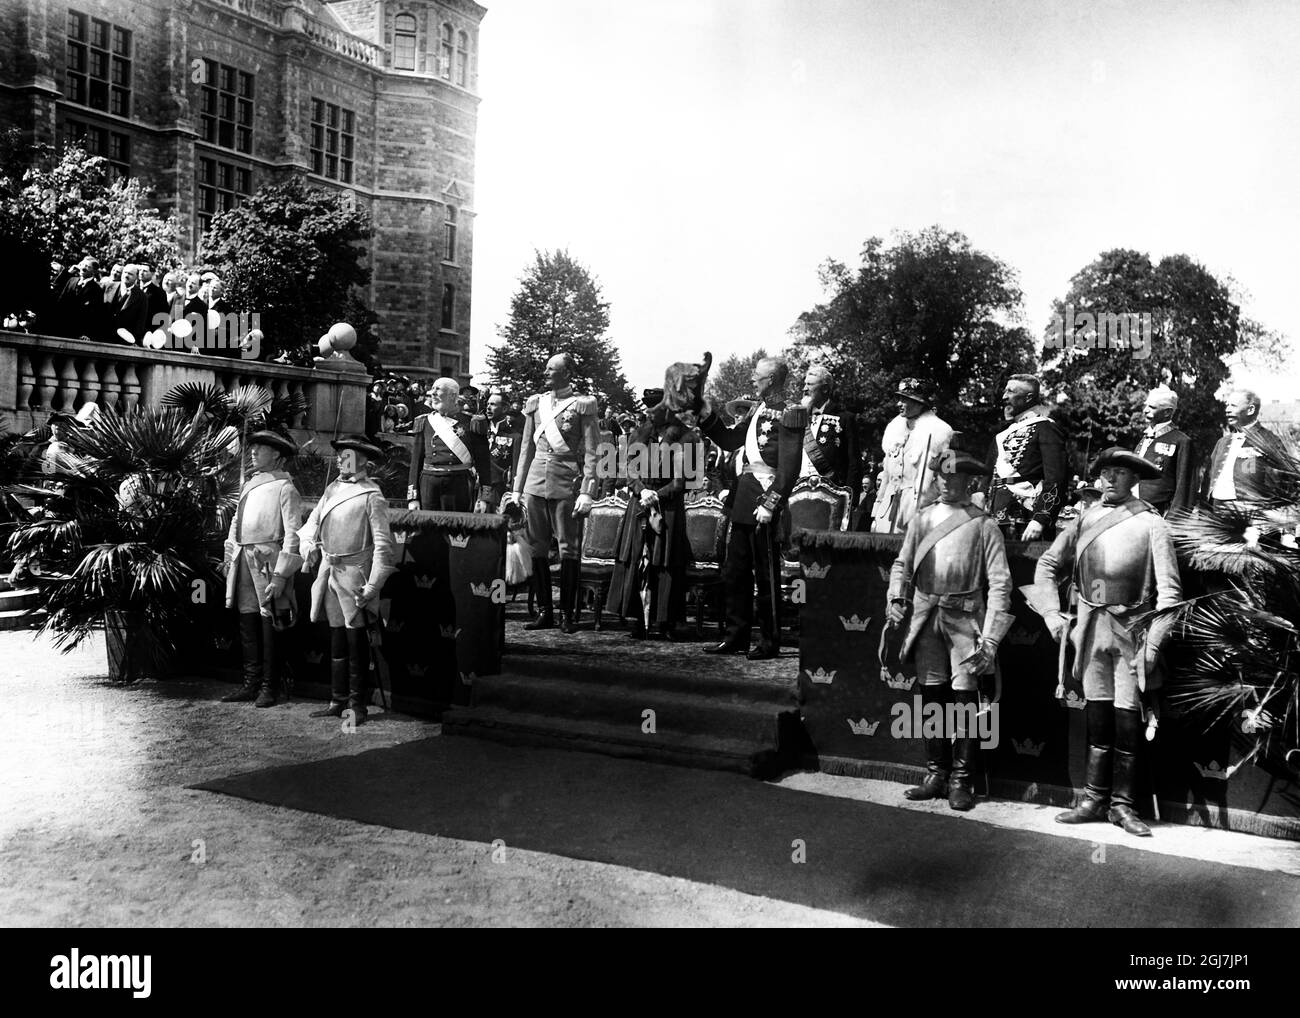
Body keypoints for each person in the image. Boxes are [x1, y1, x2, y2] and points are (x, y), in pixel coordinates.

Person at [1029, 447, 1182, 837]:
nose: (1109, 480)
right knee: (1097, 718)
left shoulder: (1153, 524)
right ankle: (1093, 799)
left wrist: (1153, 646)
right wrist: (1050, 613)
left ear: (1135, 479)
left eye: (1119, 473)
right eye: (1105, 472)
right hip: (1091, 630)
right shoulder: (1084, 520)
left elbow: (1170, 596)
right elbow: (1047, 565)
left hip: (1133, 634)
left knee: (1127, 720)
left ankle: (1123, 806)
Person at [886, 450, 1014, 811]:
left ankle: (961, 780)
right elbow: (902, 564)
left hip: (964, 619)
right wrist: (897, 597)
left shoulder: (983, 524)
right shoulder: (922, 519)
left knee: (964, 701)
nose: (945, 483)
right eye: (941, 477)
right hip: (927, 617)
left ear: (967, 481)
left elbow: (1000, 583)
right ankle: (935, 774)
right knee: (931, 697)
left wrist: (989, 638)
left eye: (953, 478)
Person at [698, 356, 805, 659]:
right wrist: (707, 415)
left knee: (766, 575)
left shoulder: (792, 413)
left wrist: (773, 503)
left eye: (757, 376)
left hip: (765, 498)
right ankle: (736, 636)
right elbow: (731, 440)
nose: (752, 380)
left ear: (771, 380)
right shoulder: (757, 408)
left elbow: (789, 468)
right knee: (736, 571)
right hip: (744, 496)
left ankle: (770, 641)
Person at [608, 358, 709, 641]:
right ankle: (639, 620)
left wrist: (657, 495)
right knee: (637, 560)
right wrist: (641, 490)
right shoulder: (640, 433)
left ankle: (665, 621)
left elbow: (681, 482)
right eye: (649, 410)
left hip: (668, 508)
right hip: (639, 504)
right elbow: (628, 470)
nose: (652, 413)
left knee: (664, 564)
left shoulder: (686, 437)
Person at [298, 435, 397, 725]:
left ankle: (357, 705)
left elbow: (383, 546)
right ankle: (337, 699)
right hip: (330, 573)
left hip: (356, 576)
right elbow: (309, 526)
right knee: (337, 640)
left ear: (363, 461)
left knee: (356, 643)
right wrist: (309, 548)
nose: (341, 460)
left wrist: (373, 585)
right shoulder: (331, 490)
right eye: (340, 456)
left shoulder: (372, 494)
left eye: (348, 456)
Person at [507, 353, 601, 634]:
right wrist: (517, 488)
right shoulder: (536, 404)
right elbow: (526, 449)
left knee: (567, 549)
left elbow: (594, 451)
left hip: (566, 481)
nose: (546, 372)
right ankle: (545, 611)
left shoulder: (582, 405)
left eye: (552, 368)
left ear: (566, 373)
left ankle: (566, 615)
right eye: (547, 367)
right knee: (537, 546)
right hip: (535, 483)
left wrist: (587, 490)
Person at [221, 431, 304, 708]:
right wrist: (229, 554)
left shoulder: (285, 488)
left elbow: (293, 535)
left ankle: (270, 686)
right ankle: (250, 683)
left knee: (271, 621)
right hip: (244, 558)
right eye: (253, 447)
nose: (254, 452)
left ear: (277, 455)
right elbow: (235, 523)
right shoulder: (248, 486)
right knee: (247, 619)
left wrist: (281, 573)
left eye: (262, 448)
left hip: (269, 561)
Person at [984, 373, 1067, 541]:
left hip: (1026, 519)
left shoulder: (1046, 428)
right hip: (994, 516)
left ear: (1028, 397)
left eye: (1011, 391)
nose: (1004, 396)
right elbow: (987, 475)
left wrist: (1041, 518)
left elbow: (1057, 478)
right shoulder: (1002, 435)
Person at [870, 378, 953, 533]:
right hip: (888, 509)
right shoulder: (893, 431)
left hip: (920, 509)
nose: (898, 404)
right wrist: (877, 508)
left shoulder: (941, 432)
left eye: (905, 399)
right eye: (899, 398)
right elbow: (887, 475)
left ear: (920, 403)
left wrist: (929, 504)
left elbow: (948, 478)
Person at [406, 377, 493, 512]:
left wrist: (483, 498)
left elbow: (484, 463)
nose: (432, 393)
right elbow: (415, 462)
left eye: (438, 389)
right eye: (432, 389)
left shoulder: (473, 422)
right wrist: (413, 497)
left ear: (453, 395)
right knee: (428, 529)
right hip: (428, 484)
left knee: (457, 530)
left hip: (459, 485)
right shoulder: (424, 422)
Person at [1201, 388, 1291, 506]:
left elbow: (1284, 479)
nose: (1227, 410)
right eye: (1227, 405)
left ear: (1250, 410)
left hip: (1250, 509)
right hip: (1216, 507)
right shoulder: (1222, 442)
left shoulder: (1270, 440)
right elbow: (1209, 477)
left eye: (1233, 406)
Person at [796, 364, 861, 520]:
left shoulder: (845, 418)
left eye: (810, 384)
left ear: (825, 389)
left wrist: (850, 500)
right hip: (797, 494)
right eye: (804, 384)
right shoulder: (798, 419)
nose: (804, 389)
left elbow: (854, 463)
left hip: (831, 496)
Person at [1133, 385, 1195, 515]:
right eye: (1146, 406)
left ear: (1167, 412)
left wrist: (1175, 521)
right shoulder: (1145, 437)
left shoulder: (1182, 441)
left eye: (1152, 407)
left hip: (1158, 512)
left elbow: (1185, 487)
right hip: (1133, 508)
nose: (1145, 410)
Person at [477, 390, 521, 507]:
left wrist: (512, 494)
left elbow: (516, 470)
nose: (488, 408)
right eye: (487, 404)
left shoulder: (514, 437)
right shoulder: (479, 433)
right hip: (475, 489)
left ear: (505, 409)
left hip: (497, 490)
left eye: (493, 404)